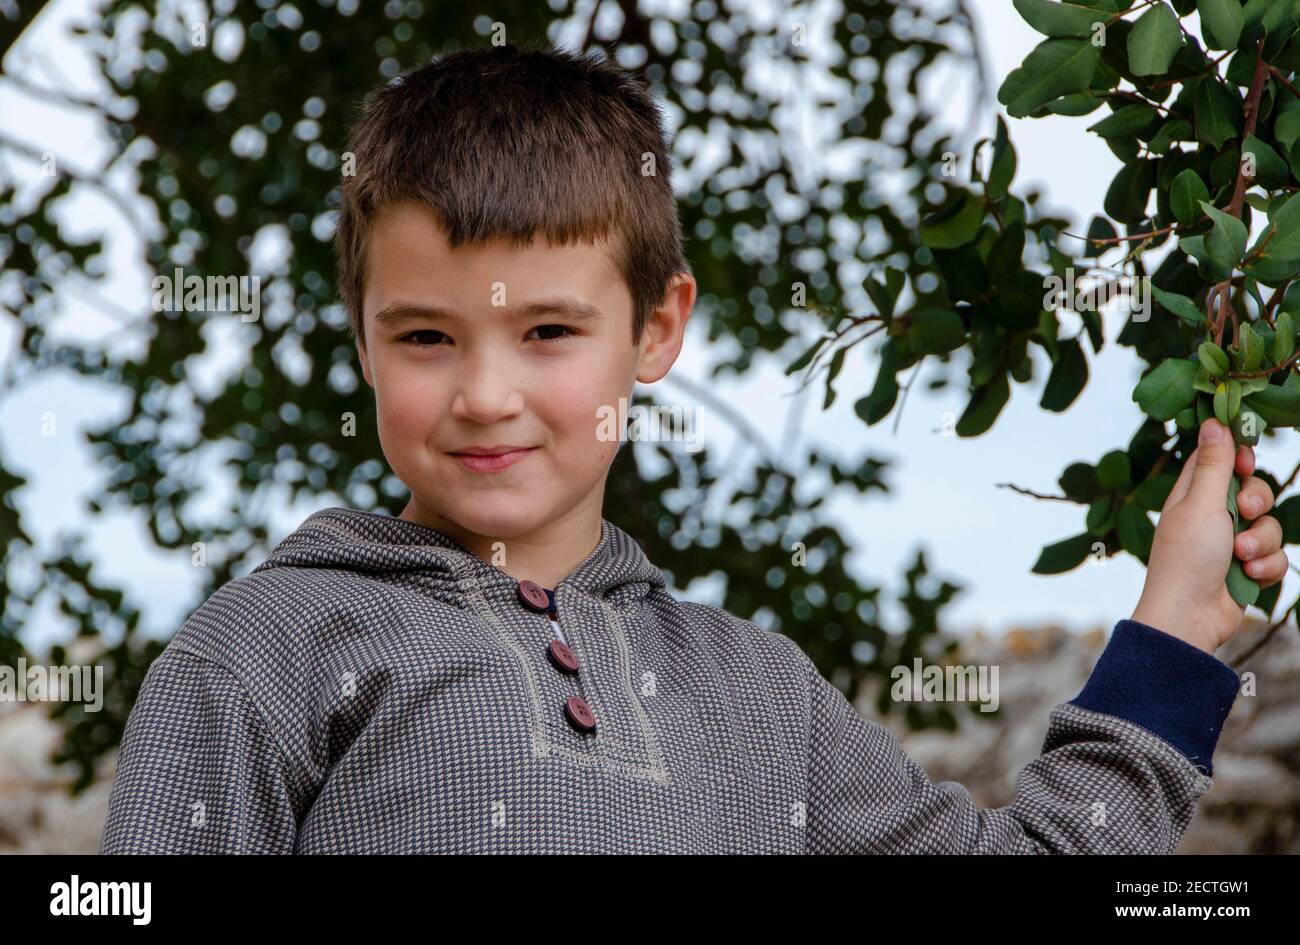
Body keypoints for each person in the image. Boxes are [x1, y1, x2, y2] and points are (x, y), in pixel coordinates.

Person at [99, 44, 1287, 854]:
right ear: (363, 341)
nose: (484, 393)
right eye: (425, 336)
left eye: (549, 331)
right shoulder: (264, 653)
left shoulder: (763, 699)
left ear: (656, 329)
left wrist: (1174, 632)